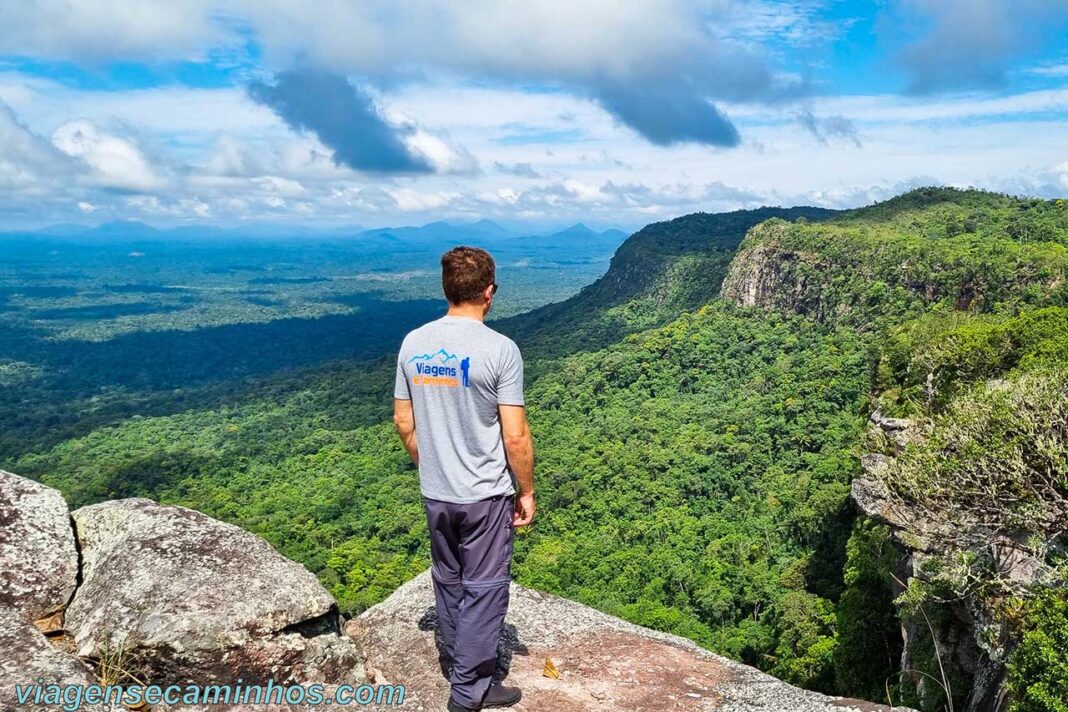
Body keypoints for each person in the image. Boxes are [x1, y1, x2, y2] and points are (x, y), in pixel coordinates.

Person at [393, 246, 536, 712]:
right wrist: (527, 490)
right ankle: (469, 690)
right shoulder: (500, 350)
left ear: (446, 288)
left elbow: (402, 421)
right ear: (489, 293)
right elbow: (514, 435)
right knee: (485, 587)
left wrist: (428, 460)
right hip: (484, 494)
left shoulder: (414, 343)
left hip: (436, 492)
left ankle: (457, 660)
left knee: (448, 579)